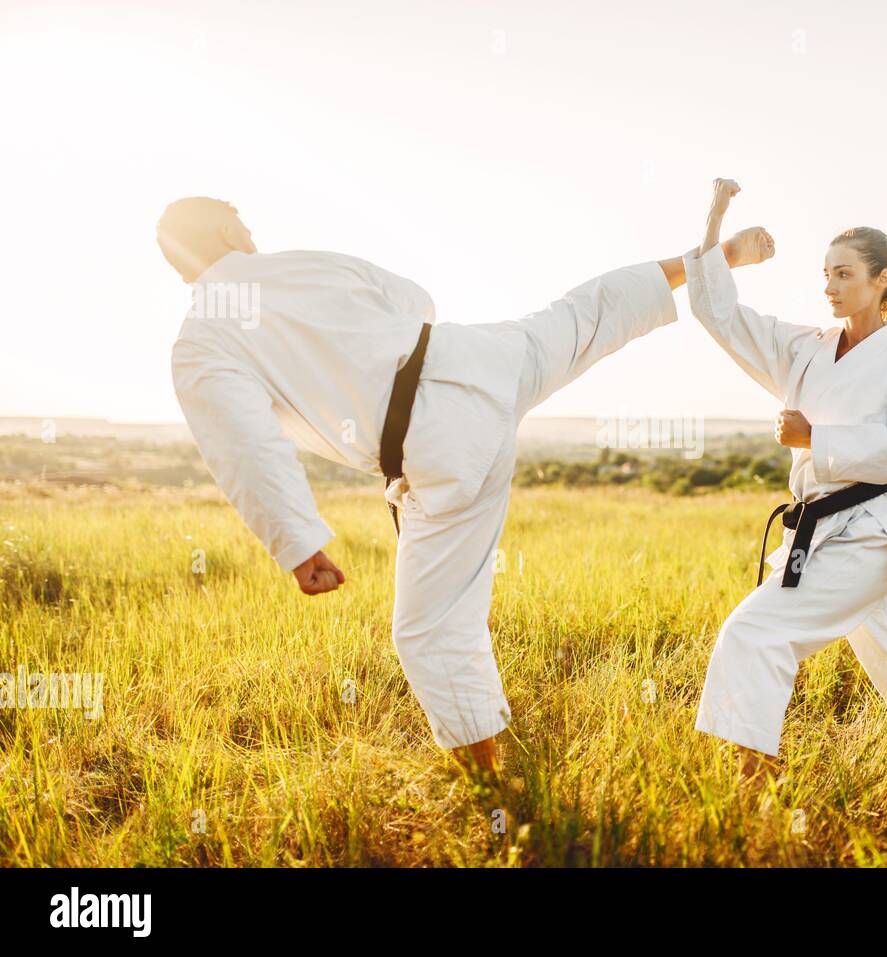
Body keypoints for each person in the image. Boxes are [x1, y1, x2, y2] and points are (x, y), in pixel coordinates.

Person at [158, 196, 711, 785]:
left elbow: (245, 446)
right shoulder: (303, 264)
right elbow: (416, 299)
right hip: (481, 358)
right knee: (581, 317)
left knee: (430, 629)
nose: (250, 229)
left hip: (439, 446)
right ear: (224, 228)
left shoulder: (200, 341)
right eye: (242, 220)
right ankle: (698, 263)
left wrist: (298, 544)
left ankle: (492, 784)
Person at [683, 179, 887, 779]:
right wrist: (716, 222)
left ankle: (751, 784)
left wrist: (813, 440)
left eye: (845, 274)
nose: (830, 287)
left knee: (754, 631)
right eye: (826, 274)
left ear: (883, 280)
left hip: (866, 533)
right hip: (812, 533)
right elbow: (718, 313)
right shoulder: (805, 348)